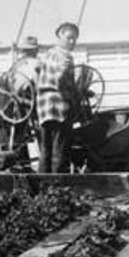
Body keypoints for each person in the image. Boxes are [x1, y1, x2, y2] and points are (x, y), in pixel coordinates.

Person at [36, 22, 79, 174]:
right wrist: (75, 93)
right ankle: (57, 188)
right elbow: (61, 79)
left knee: (45, 151)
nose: (72, 42)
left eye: (74, 39)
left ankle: (41, 189)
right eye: (69, 38)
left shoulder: (46, 54)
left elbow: (37, 72)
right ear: (60, 35)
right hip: (60, 107)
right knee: (59, 151)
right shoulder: (66, 57)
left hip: (43, 108)